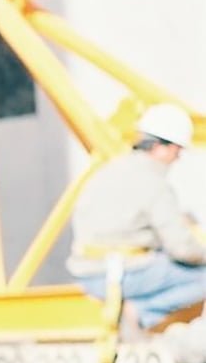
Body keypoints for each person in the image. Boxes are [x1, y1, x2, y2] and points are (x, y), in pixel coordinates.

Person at [66, 102, 205, 330]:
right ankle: (142, 312)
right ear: (161, 147)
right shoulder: (155, 184)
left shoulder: (107, 172)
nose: (177, 158)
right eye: (177, 151)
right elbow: (182, 248)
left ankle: (134, 309)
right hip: (122, 276)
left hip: (87, 274)